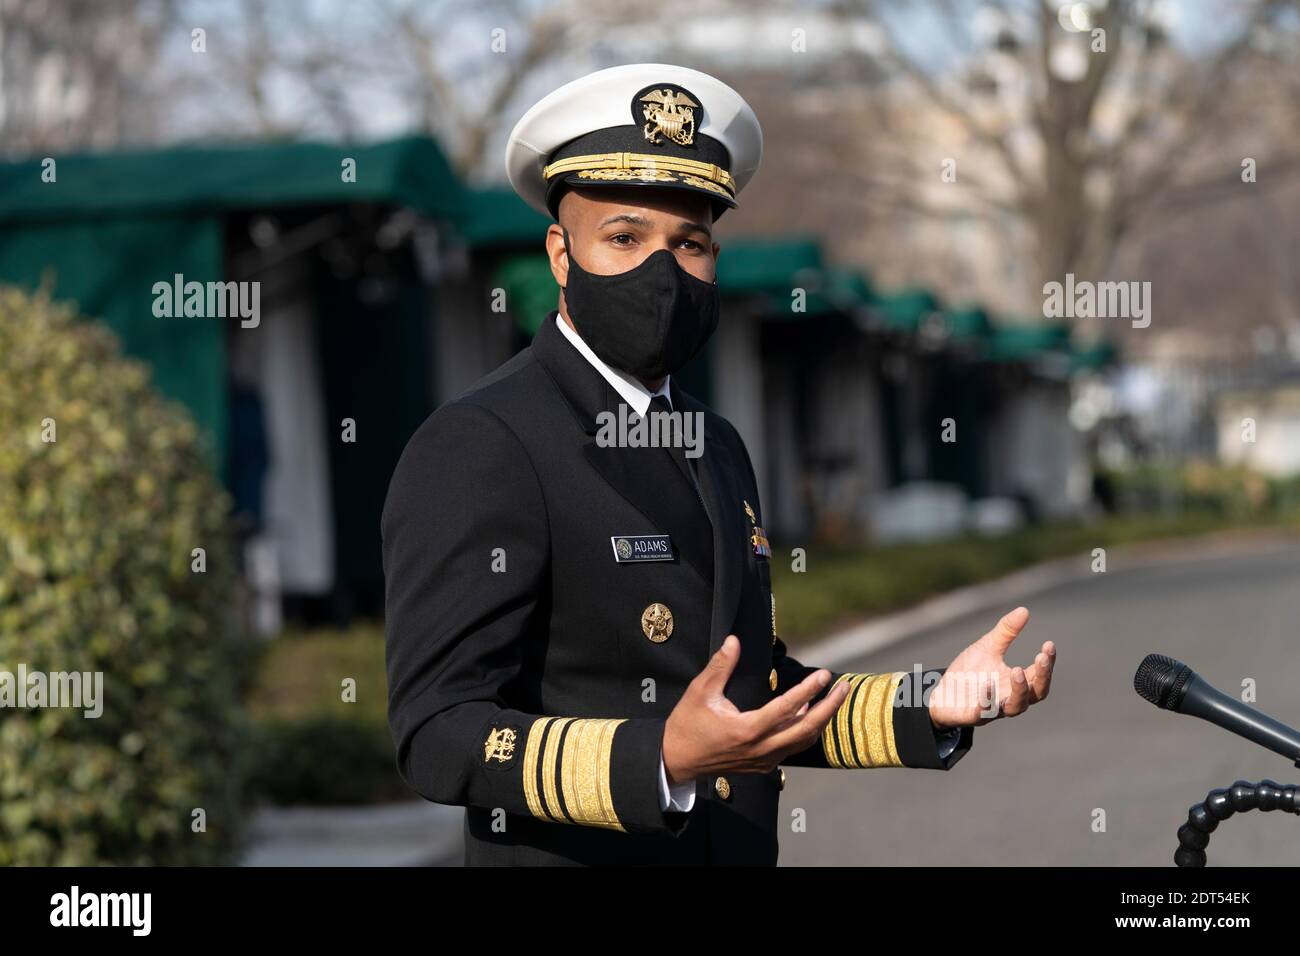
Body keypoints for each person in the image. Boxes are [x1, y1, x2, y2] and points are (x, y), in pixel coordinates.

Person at [381, 63, 1056, 865]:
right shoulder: (485, 442)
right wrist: (660, 758)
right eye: (625, 238)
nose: (662, 273)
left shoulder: (716, 442)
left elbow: (752, 692)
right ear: (562, 254)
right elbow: (437, 729)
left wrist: (930, 703)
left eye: (690, 243)